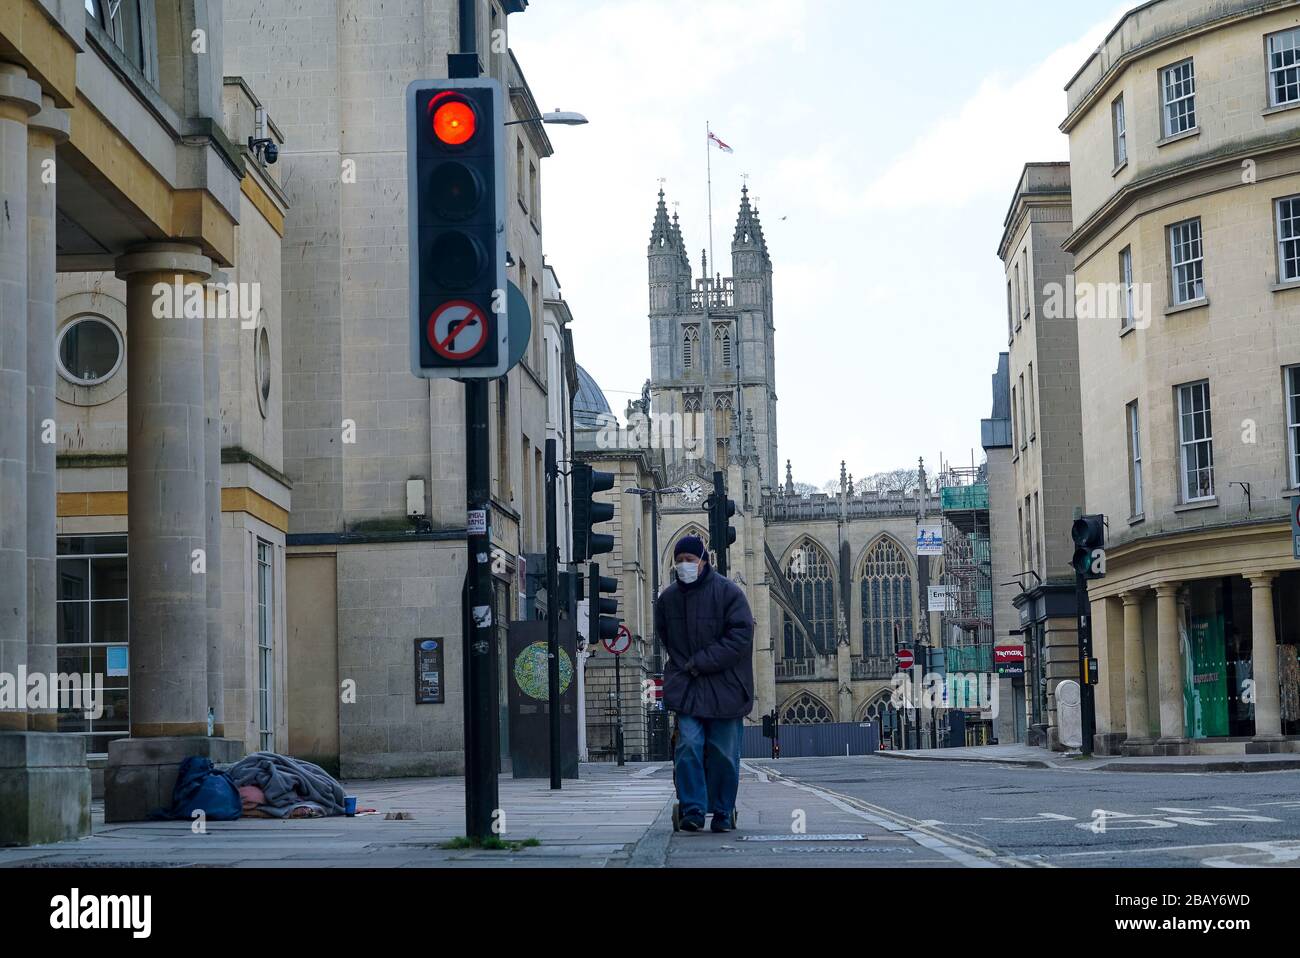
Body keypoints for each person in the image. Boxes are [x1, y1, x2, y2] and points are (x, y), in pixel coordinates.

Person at [655, 534, 754, 833]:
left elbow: (741, 635)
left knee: (724, 752)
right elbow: (665, 635)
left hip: (726, 687)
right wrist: (685, 666)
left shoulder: (729, 593)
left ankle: (723, 810)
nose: (685, 565)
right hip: (688, 687)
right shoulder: (668, 599)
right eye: (680, 561)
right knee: (688, 746)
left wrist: (701, 661)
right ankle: (693, 809)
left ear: (704, 561)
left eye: (690, 560)